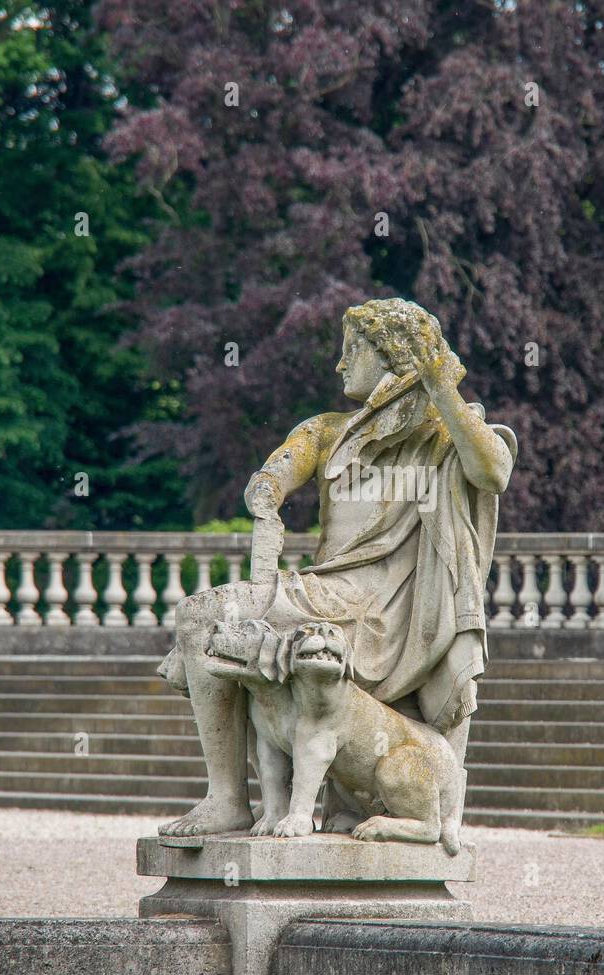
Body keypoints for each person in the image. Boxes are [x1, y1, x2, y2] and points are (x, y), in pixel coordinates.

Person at [160, 298, 516, 837]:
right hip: (329, 593)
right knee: (201, 617)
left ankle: (234, 797)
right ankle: (228, 798)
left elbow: (492, 473)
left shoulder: (445, 436)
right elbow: (281, 467)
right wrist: (268, 490)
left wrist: (443, 391)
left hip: (394, 611)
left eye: (353, 350)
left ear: (392, 355)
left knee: (202, 615)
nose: (340, 364)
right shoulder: (328, 431)